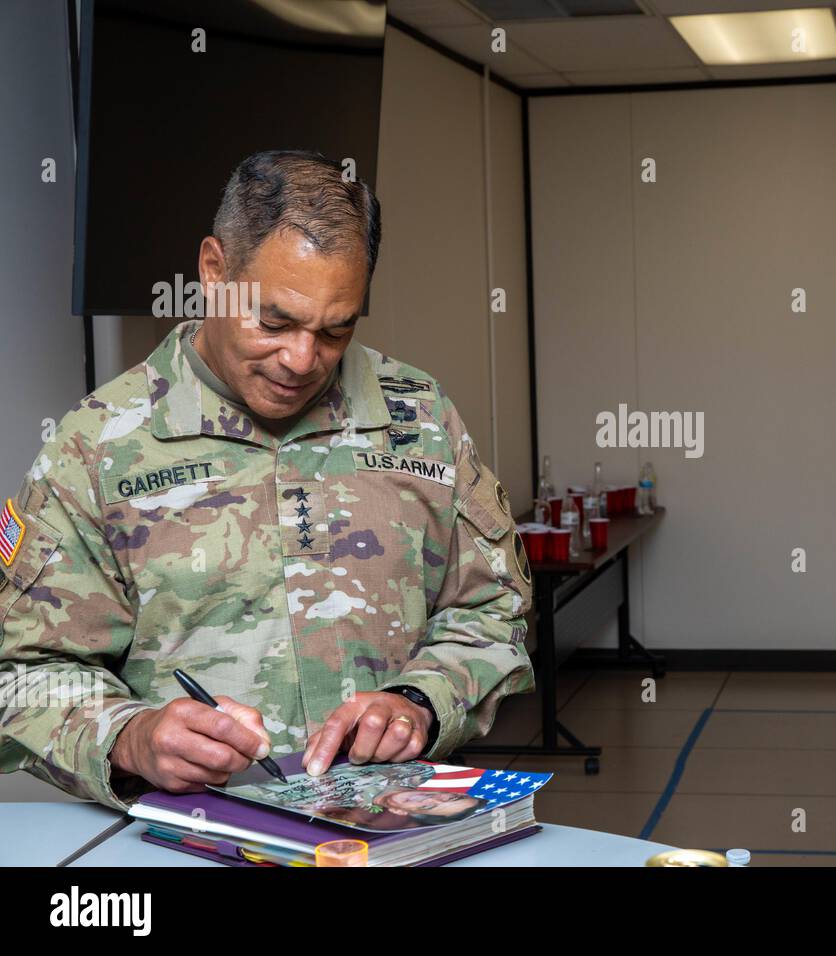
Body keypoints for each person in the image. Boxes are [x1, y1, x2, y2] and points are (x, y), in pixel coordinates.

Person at [0, 150, 534, 809]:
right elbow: (26, 675)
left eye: (336, 330)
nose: (302, 359)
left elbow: (491, 609)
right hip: (189, 839)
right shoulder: (96, 446)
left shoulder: (419, 419)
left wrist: (421, 701)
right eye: (274, 321)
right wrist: (131, 736)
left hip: (384, 829)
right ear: (214, 271)